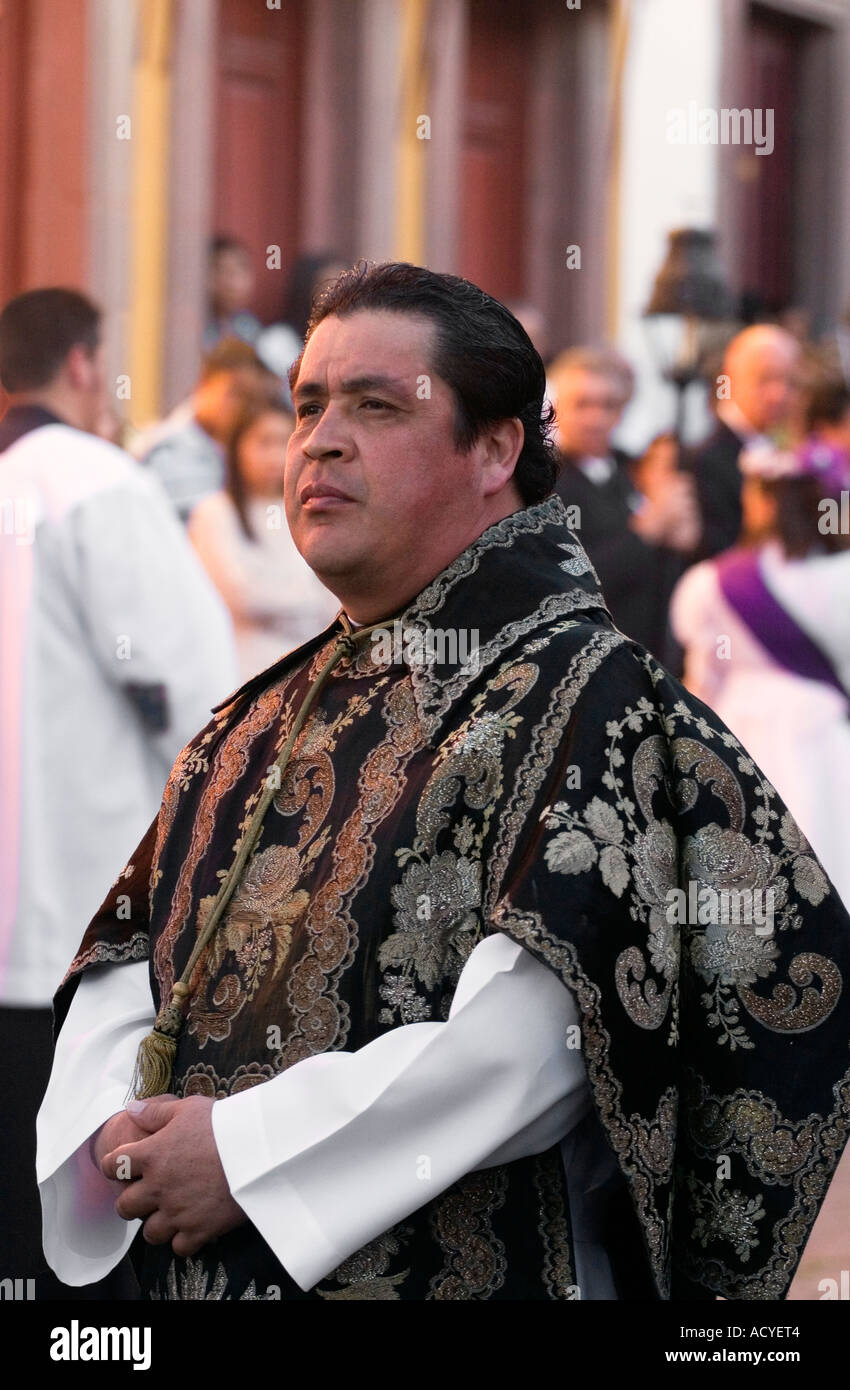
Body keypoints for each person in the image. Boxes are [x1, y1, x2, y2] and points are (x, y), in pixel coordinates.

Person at [37, 263, 850, 1303]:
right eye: (308, 405)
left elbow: (543, 1039)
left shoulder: (589, 698)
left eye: (375, 405)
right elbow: (125, 952)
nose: (321, 438)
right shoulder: (254, 718)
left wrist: (241, 1153)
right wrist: (120, 1132)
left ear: (496, 448)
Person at [0, 287, 239, 1297]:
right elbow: (196, 696)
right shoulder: (88, 480)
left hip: (31, 916)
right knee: (71, 1243)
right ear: (88, 364)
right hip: (80, 923)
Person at [671, 436, 850, 908]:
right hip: (824, 733)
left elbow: (700, 688)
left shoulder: (710, 583)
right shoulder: (841, 579)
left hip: (737, 735)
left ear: (761, 499)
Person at [550, 347, 699, 658]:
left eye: (609, 405)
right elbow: (567, 578)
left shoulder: (635, 469)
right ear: (558, 406)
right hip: (590, 652)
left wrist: (684, 535)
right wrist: (645, 532)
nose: (596, 418)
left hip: (658, 647)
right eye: (582, 404)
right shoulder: (546, 483)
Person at [188, 396, 339, 681]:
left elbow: (331, 600)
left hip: (307, 669)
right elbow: (242, 594)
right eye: (263, 442)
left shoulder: (309, 508)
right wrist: (305, 594)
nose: (273, 456)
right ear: (237, 448)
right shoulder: (215, 512)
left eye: (282, 442)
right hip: (240, 669)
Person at [683, 325, 801, 561]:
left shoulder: (785, 448)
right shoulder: (705, 458)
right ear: (730, 380)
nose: (779, 393)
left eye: (789, 381)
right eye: (765, 378)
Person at [138, 338, 277, 523]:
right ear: (205, 382)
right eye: (234, 393)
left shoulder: (230, 445)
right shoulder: (170, 449)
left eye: (250, 398)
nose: (240, 407)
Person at [256, 251, 348, 390]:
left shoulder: (351, 342)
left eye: (344, 288)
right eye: (328, 288)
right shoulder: (277, 342)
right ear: (305, 291)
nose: (338, 297)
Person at [204, 235, 262, 352]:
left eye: (242, 272)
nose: (235, 285)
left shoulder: (249, 327)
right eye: (226, 273)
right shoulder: (194, 326)